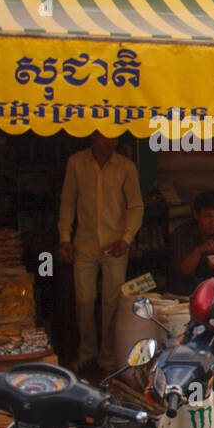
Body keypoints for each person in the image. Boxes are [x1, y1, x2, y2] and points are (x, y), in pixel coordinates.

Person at [57, 132, 144, 371]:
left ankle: (107, 356)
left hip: (115, 244)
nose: (111, 142)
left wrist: (127, 238)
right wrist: (64, 236)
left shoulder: (126, 167)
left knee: (112, 301)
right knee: (84, 299)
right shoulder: (76, 163)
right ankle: (87, 352)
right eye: (106, 137)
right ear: (94, 136)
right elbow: (68, 201)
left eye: (114, 138)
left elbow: (135, 207)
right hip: (84, 242)